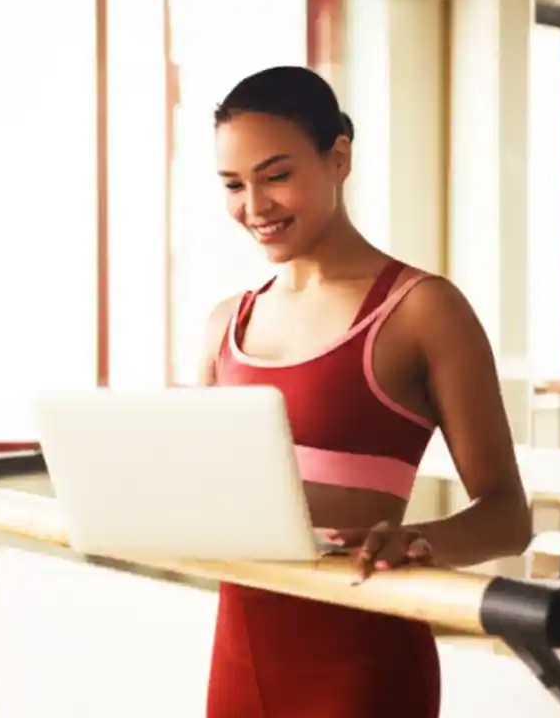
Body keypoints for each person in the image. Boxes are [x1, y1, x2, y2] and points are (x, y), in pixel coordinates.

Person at [200, 65, 531, 718]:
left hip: (361, 660)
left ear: (339, 158)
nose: (255, 207)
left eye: (276, 175)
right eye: (234, 185)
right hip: (240, 653)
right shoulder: (224, 323)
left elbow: (507, 516)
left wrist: (421, 541)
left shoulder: (423, 310)